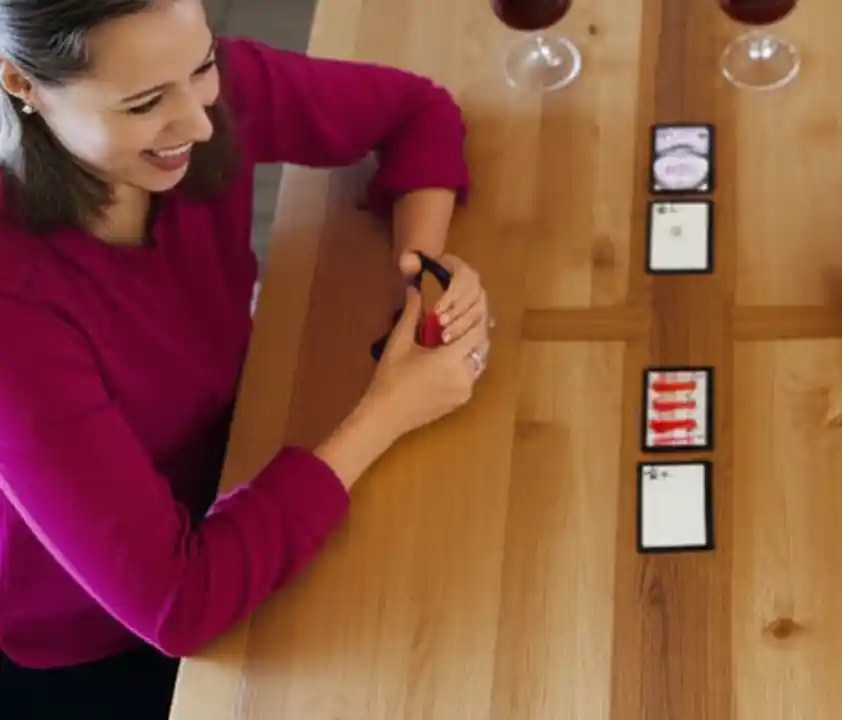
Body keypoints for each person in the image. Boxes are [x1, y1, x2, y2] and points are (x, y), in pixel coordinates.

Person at [0, 0, 492, 716]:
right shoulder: (15, 312)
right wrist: (386, 412)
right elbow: (178, 606)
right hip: (101, 638)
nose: (201, 123)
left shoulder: (197, 92)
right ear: (21, 84)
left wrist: (422, 269)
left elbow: (417, 110)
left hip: (239, 465)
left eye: (201, 65)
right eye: (144, 104)